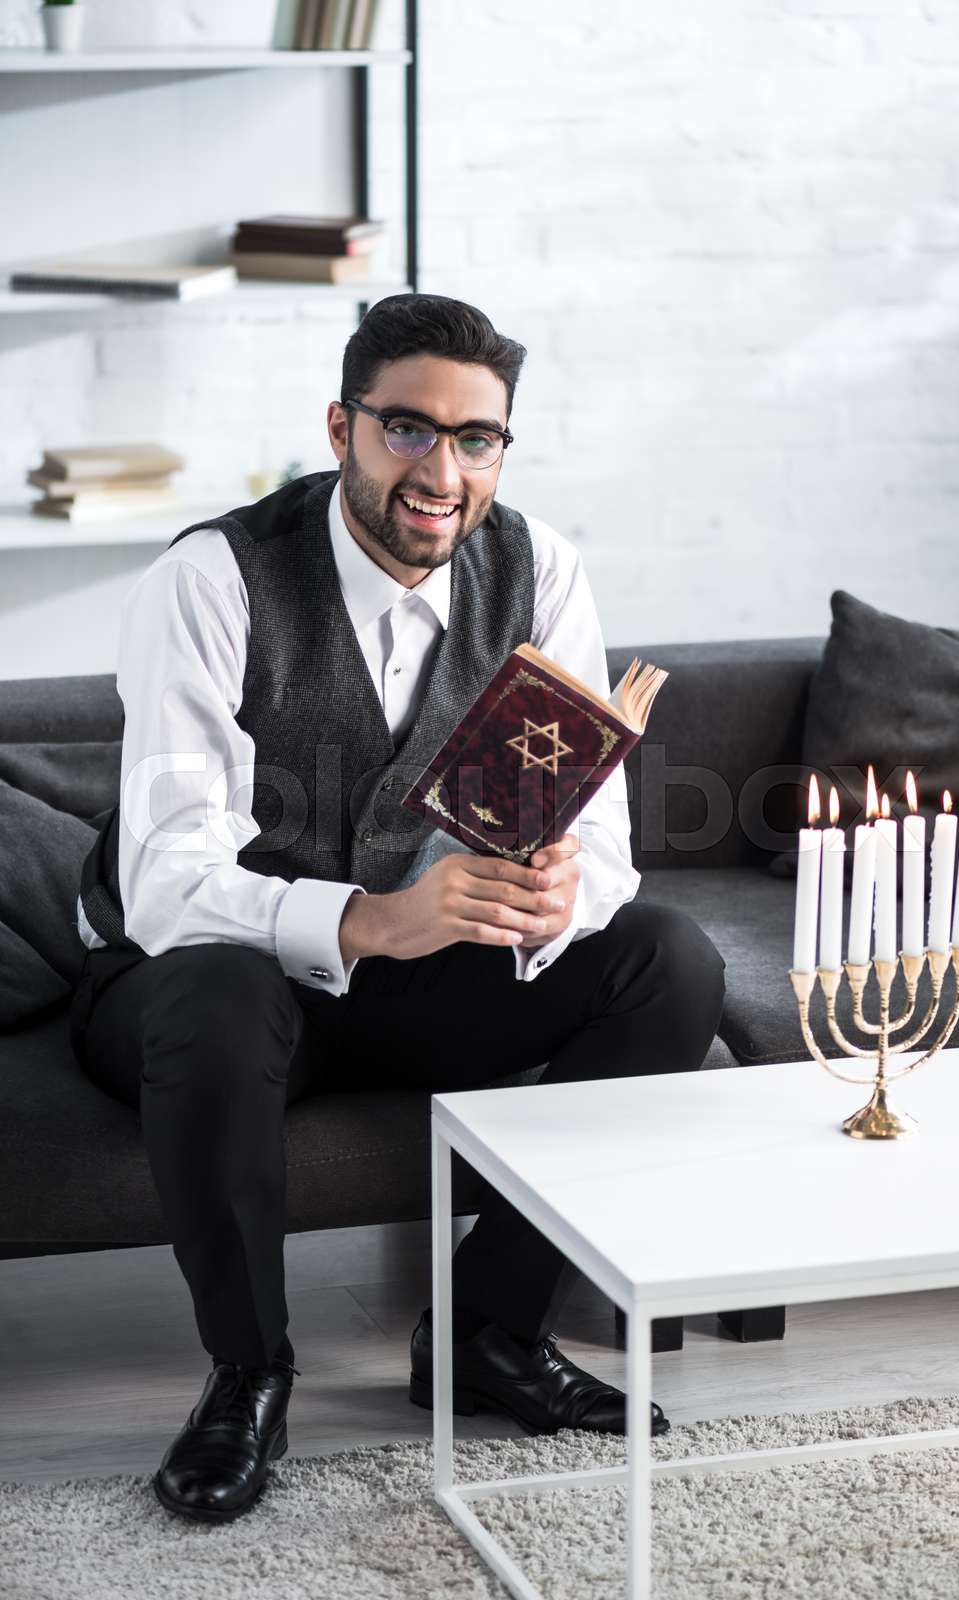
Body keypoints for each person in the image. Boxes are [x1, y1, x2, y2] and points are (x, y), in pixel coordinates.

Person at [69, 293, 726, 1525]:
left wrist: (554, 898)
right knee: (218, 987)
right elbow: (165, 884)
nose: (443, 469)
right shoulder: (213, 578)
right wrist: (373, 921)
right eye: (408, 430)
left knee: (667, 961)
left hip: (415, 980)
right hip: (198, 986)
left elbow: (604, 843)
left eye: (477, 438)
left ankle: (487, 1332)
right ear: (342, 428)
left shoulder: (540, 569)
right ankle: (247, 1375)